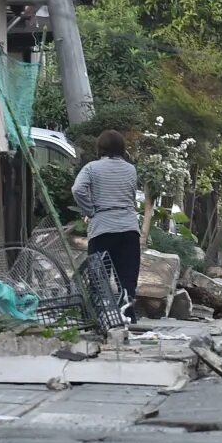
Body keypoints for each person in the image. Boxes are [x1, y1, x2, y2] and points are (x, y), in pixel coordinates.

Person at [70, 130, 142, 309]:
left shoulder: (91, 168)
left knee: (99, 278)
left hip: (103, 228)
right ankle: (128, 315)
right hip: (129, 229)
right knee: (127, 277)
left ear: (100, 148)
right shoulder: (130, 169)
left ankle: (102, 315)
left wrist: (90, 211)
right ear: (122, 148)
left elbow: (77, 189)